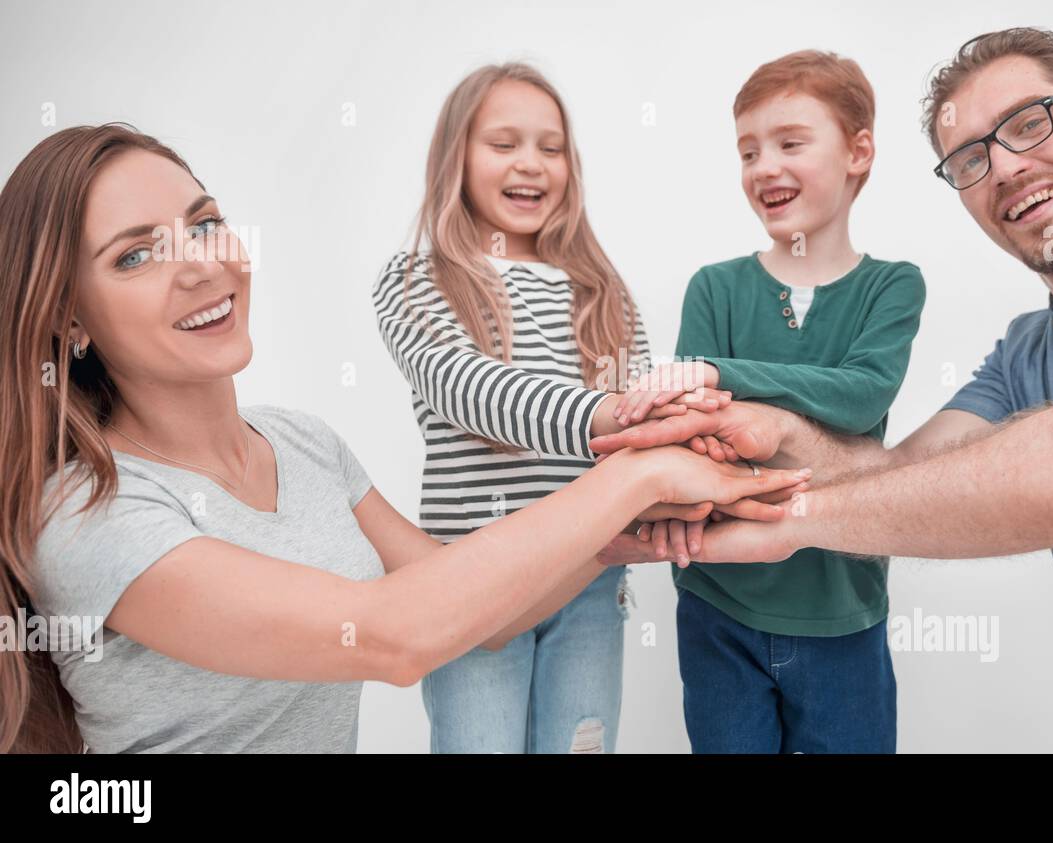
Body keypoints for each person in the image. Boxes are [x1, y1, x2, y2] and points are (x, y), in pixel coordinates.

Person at [593, 27, 1053, 753]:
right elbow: (894, 475)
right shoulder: (1025, 353)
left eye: (1030, 123)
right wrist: (776, 433)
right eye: (971, 157)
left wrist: (791, 517)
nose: (1007, 167)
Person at [0, 123, 808, 754]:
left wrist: (620, 538)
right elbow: (393, 634)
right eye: (135, 255)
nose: (200, 266)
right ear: (68, 317)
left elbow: (474, 610)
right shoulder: (86, 515)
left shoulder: (305, 445)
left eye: (203, 224)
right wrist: (632, 472)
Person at [611, 51, 924, 753]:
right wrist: (708, 413)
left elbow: (861, 394)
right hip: (719, 608)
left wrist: (715, 371)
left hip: (842, 612)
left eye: (790, 142)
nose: (762, 167)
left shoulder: (893, 286)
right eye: (748, 151)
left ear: (858, 151)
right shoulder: (715, 288)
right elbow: (692, 432)